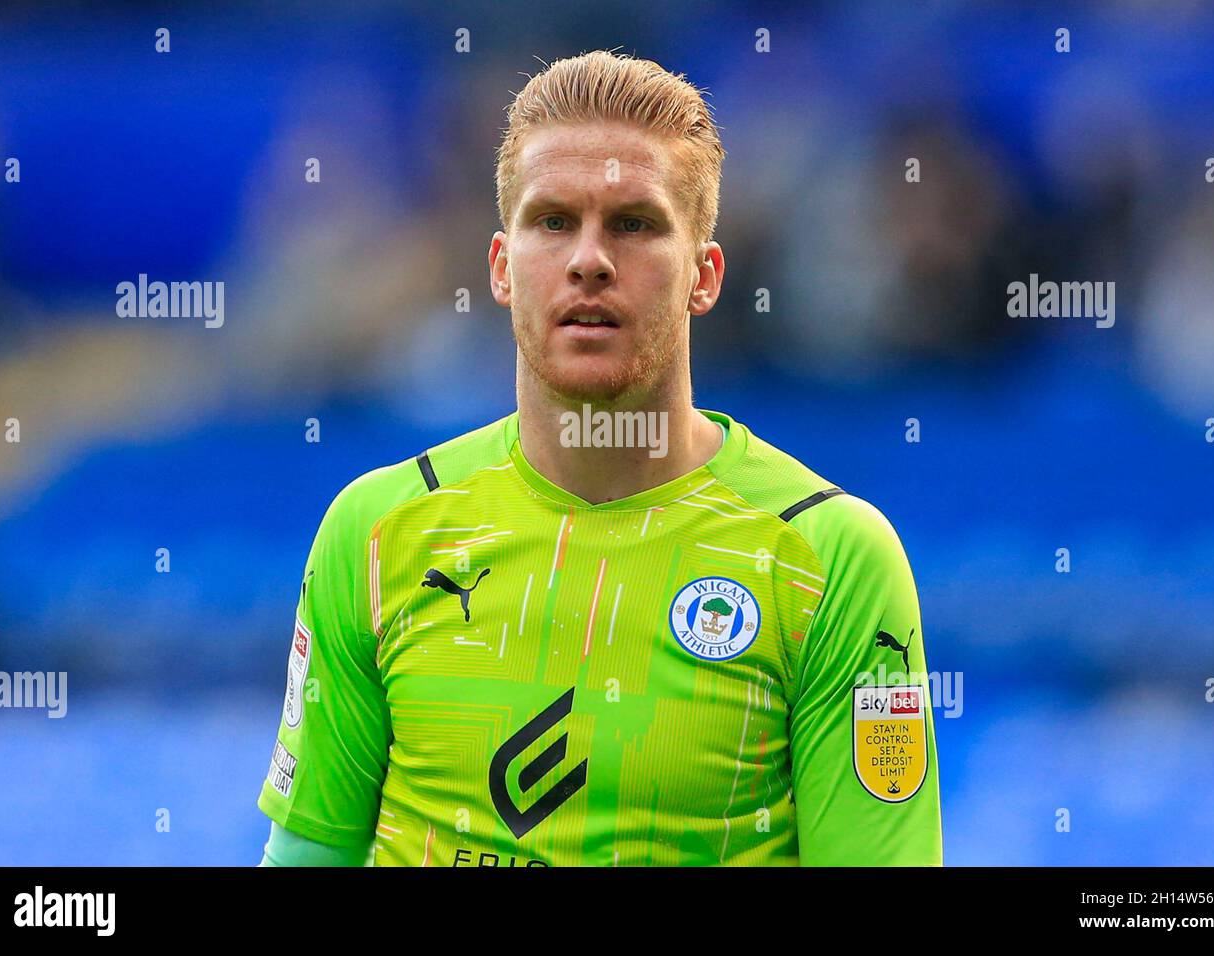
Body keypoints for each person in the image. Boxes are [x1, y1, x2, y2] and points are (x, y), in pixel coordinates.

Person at [256, 50, 941, 866]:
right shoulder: (375, 534)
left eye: (634, 224)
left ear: (704, 276)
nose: (589, 259)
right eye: (553, 222)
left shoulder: (829, 557)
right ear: (502, 270)